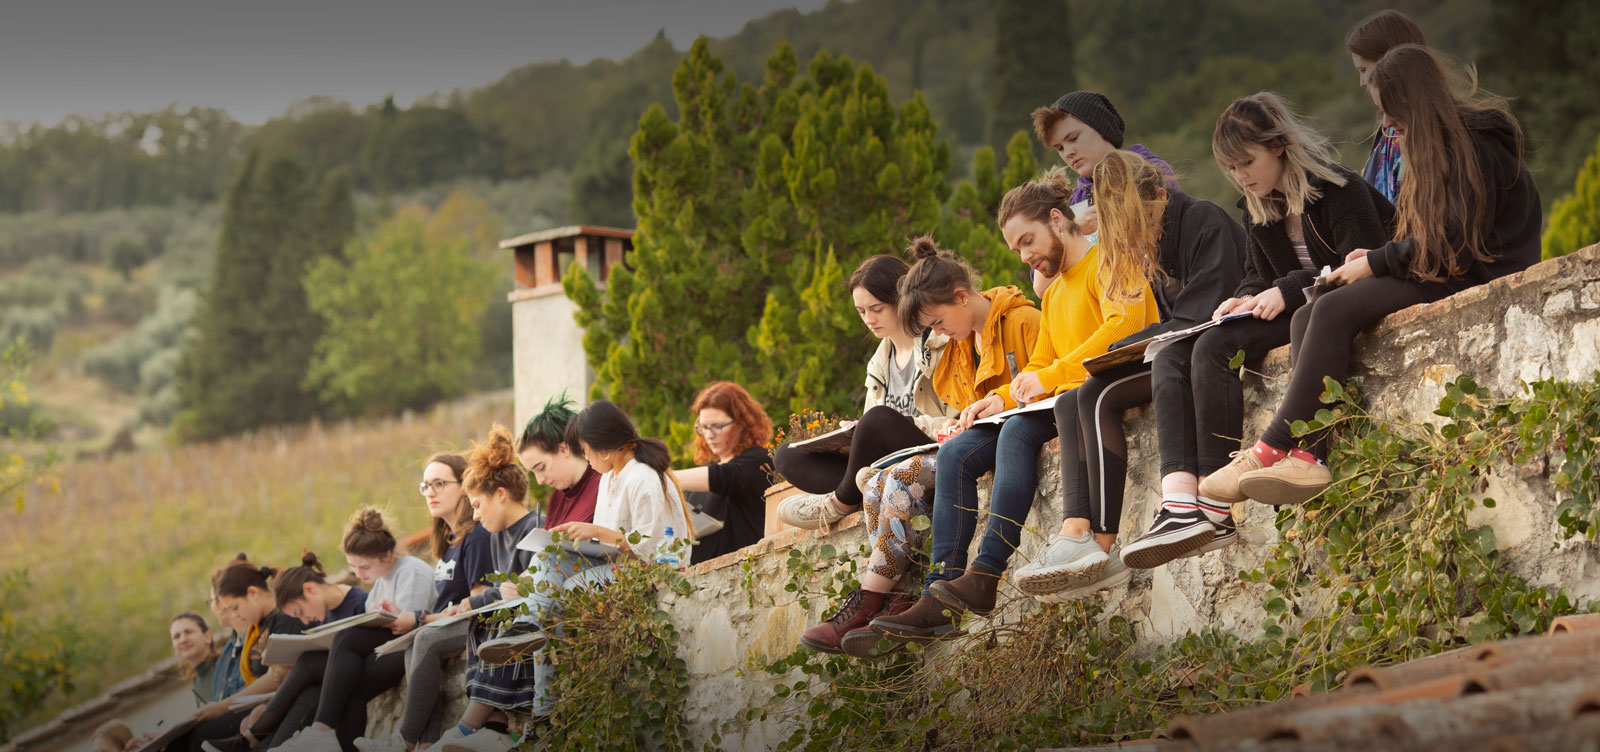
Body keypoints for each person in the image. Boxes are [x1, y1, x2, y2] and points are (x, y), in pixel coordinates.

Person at [1205, 44, 1541, 508]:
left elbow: (1457, 242)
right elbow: (1431, 237)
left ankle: (1267, 450)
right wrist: (1378, 255)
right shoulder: (1431, 147)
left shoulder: (1475, 143)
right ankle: (1310, 456)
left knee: (1333, 308)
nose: (1385, 125)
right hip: (1442, 266)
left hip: (1477, 272)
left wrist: (1376, 262)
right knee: (1311, 315)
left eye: (1389, 112)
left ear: (1413, 102)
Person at [1106, 92, 1397, 572]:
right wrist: (1242, 296)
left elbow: (1360, 259)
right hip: (1298, 304)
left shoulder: (1338, 187)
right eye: (1231, 170)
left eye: (1247, 163)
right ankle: (1197, 503)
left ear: (1279, 145)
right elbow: (1256, 274)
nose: (1242, 177)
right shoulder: (1256, 205)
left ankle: (1221, 499)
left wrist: (1284, 288)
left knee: (1222, 345)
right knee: (1195, 349)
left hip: (1343, 297)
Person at [870, 167, 1159, 643]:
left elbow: (1120, 329)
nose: (1025, 256)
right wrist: (998, 398)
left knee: (1017, 434)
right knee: (957, 453)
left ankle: (986, 573)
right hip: (1067, 394)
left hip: (1103, 387)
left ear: (1056, 220)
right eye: (1017, 250)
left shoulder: (1108, 261)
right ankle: (940, 588)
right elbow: (1041, 362)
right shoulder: (1057, 290)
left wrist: (1045, 377)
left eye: (1028, 241)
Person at [1002, 147, 1246, 595]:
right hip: (1176, 346)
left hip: (1215, 340)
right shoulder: (1061, 289)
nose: (1134, 235)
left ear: (1158, 196)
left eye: (1136, 221)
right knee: (1082, 395)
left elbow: (1184, 317)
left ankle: (1163, 516)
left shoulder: (1202, 220)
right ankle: (1090, 539)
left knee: (1124, 378)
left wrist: (1115, 349)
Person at [798, 236, 1041, 656]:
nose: (937, 332)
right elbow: (963, 404)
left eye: (876, 309)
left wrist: (991, 402)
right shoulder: (956, 339)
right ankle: (908, 599)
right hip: (962, 436)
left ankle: (872, 600)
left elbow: (1040, 372)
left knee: (903, 470)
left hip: (990, 429)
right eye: (861, 312)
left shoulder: (1005, 323)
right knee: (874, 483)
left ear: (960, 298)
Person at [774, 254, 957, 529]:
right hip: (883, 464)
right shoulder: (879, 361)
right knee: (787, 456)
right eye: (861, 312)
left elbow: (958, 422)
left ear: (901, 300)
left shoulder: (940, 346)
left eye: (877, 309)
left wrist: (892, 425)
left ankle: (839, 503)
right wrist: (852, 437)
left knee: (877, 420)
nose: (869, 320)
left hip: (930, 455)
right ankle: (865, 490)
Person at [248, 510, 436, 751]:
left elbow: (412, 625)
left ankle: (319, 731)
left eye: (364, 566)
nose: (358, 574)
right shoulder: (380, 581)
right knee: (349, 685)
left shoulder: (411, 570)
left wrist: (394, 614)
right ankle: (319, 735)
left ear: (387, 554)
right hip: (391, 648)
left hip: (412, 645)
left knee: (345, 642)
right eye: (353, 567)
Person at [353, 452, 498, 752]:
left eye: (439, 484)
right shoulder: (448, 541)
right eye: (426, 486)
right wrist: (418, 617)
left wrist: (422, 619)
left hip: (477, 623)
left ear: (464, 485)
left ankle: (403, 740)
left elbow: (477, 603)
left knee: (426, 638)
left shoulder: (477, 536)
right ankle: (427, 743)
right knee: (417, 639)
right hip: (449, 622)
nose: (430, 492)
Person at [427, 425, 546, 752]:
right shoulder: (497, 536)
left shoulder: (535, 526)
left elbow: (531, 585)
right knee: (480, 624)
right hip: (511, 612)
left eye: (478, 505)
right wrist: (473, 603)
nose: (475, 516)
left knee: (502, 627)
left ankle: (466, 727)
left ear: (501, 495)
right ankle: (494, 726)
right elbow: (503, 588)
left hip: (534, 619)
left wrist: (498, 595)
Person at [1029, 90, 1179, 297]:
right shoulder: (1070, 202)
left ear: (1101, 128)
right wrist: (1073, 232)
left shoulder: (1146, 170)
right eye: (1060, 148)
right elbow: (1042, 287)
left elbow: (1162, 242)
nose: (1068, 152)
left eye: (1073, 138)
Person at [178, 556, 301, 752]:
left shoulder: (284, 619)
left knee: (199, 736)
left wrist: (223, 707)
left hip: (278, 700)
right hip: (259, 703)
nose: (235, 615)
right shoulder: (259, 627)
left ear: (252, 593)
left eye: (235, 608)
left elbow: (278, 676)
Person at [673, 381, 775, 560]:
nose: (710, 435)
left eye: (718, 426)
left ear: (742, 424)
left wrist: (660, 476)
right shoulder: (702, 476)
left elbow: (725, 477)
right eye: (703, 427)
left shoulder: (759, 461)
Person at [1346, 9, 1428, 203]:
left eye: (1364, 70)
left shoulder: (1435, 133)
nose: (1362, 82)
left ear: (1391, 62)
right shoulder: (1388, 136)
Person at [516, 396, 601, 530]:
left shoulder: (604, 486)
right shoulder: (557, 498)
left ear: (564, 449)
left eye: (541, 468)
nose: (539, 481)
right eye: (533, 473)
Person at [171, 612, 222, 706]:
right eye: (177, 636)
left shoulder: (228, 665)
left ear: (207, 636)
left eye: (188, 632)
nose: (183, 640)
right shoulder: (196, 681)